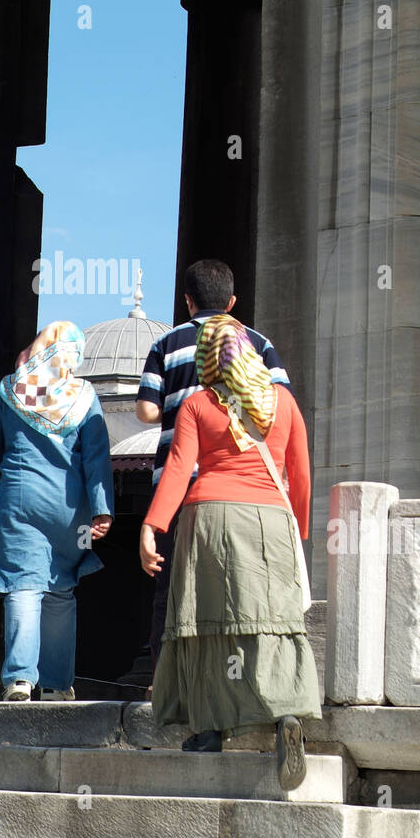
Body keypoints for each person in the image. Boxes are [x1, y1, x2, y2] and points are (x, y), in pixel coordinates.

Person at [139, 313, 320, 789]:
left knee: (208, 625)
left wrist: (152, 526)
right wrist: (296, 529)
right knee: (276, 619)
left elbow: (179, 469)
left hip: (210, 517)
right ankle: (286, 717)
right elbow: (299, 471)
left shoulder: (199, 403)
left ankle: (209, 731)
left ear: (206, 359)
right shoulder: (283, 402)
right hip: (270, 520)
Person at [136, 260, 291, 672]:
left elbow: (147, 410)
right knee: (235, 585)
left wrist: (178, 407)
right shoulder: (258, 342)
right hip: (242, 482)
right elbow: (277, 408)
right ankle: (236, 676)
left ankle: (163, 679)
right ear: (233, 301)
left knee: (169, 588)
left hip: (178, 481)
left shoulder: (166, 344)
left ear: (187, 301)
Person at [0, 321, 114, 702]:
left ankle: (19, 680)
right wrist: (102, 510)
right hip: (69, 508)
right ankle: (58, 685)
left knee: (23, 587)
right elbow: (96, 459)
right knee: (61, 590)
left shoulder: (9, 390)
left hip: (19, 502)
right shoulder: (84, 395)